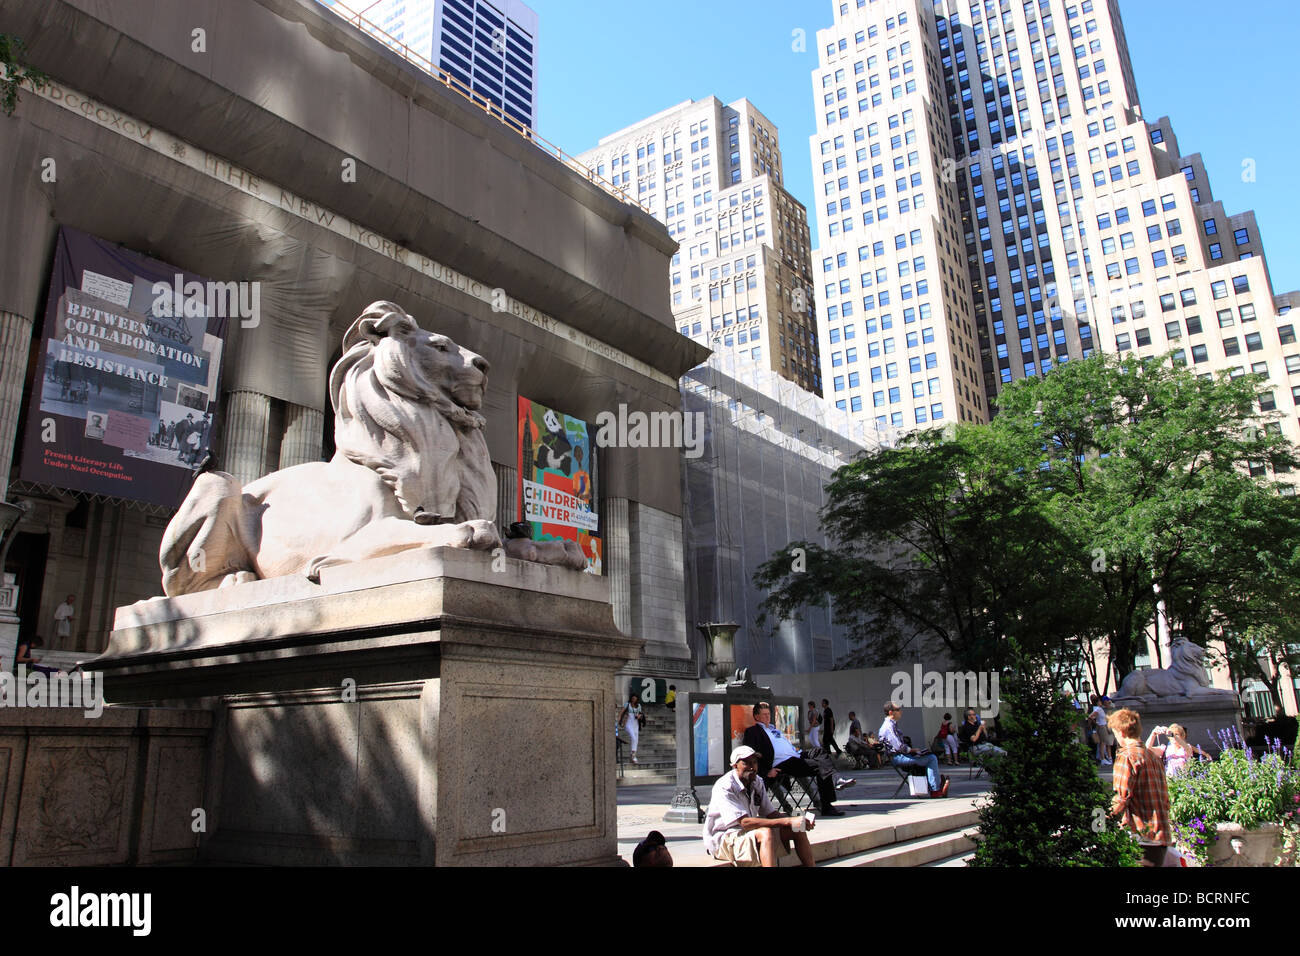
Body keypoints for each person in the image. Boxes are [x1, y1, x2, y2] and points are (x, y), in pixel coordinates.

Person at [702, 745, 816, 867]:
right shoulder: (725, 786)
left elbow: (770, 814)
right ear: (735, 766)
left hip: (747, 833)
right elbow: (744, 822)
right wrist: (788, 820)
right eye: (746, 763)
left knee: (797, 828)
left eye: (755, 763)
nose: (752, 767)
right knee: (765, 833)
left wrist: (797, 820)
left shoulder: (757, 782)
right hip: (724, 839)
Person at [742, 701, 846, 817]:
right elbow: (750, 755)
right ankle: (828, 804)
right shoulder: (753, 731)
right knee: (820, 766)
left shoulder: (774, 729)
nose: (768, 717)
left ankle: (836, 778)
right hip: (783, 762)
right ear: (756, 716)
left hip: (797, 755)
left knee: (819, 751)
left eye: (769, 714)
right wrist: (766, 771)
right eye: (764, 714)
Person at [1110, 707, 1173, 867]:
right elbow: (1165, 797)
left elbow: (1121, 798)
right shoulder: (1153, 756)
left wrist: (1103, 821)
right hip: (1161, 832)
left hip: (1139, 833)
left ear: (1121, 732)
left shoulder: (1127, 756)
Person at [879, 702, 948, 797]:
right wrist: (912, 750)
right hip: (898, 757)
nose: (901, 712)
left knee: (927, 755)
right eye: (898, 710)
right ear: (891, 712)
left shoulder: (891, 725)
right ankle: (936, 789)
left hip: (900, 755)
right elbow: (899, 746)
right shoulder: (888, 727)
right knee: (931, 758)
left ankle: (936, 784)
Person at [1144, 723, 1209, 776]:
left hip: (1184, 780)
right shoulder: (1165, 749)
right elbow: (1147, 748)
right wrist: (1153, 733)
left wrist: (1171, 734)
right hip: (1170, 781)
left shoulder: (1186, 748)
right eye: (1172, 735)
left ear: (1182, 736)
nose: (1173, 737)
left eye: (1177, 734)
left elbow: (1184, 745)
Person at [618, 693, 644, 764]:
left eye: (635, 698)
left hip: (636, 724)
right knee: (633, 738)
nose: (634, 700)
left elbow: (640, 713)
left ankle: (633, 756)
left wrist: (639, 716)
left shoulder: (639, 705)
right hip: (628, 723)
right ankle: (633, 756)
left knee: (636, 740)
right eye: (633, 698)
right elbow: (621, 713)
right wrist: (618, 721)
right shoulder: (627, 704)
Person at [1089, 694, 1112, 765]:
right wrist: (1096, 723)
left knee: (1103, 743)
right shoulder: (1098, 709)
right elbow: (1090, 716)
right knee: (1103, 743)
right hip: (1102, 726)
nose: (1101, 702)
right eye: (1100, 701)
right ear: (1098, 702)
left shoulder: (1096, 708)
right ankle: (1103, 758)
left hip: (1101, 726)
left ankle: (1102, 758)